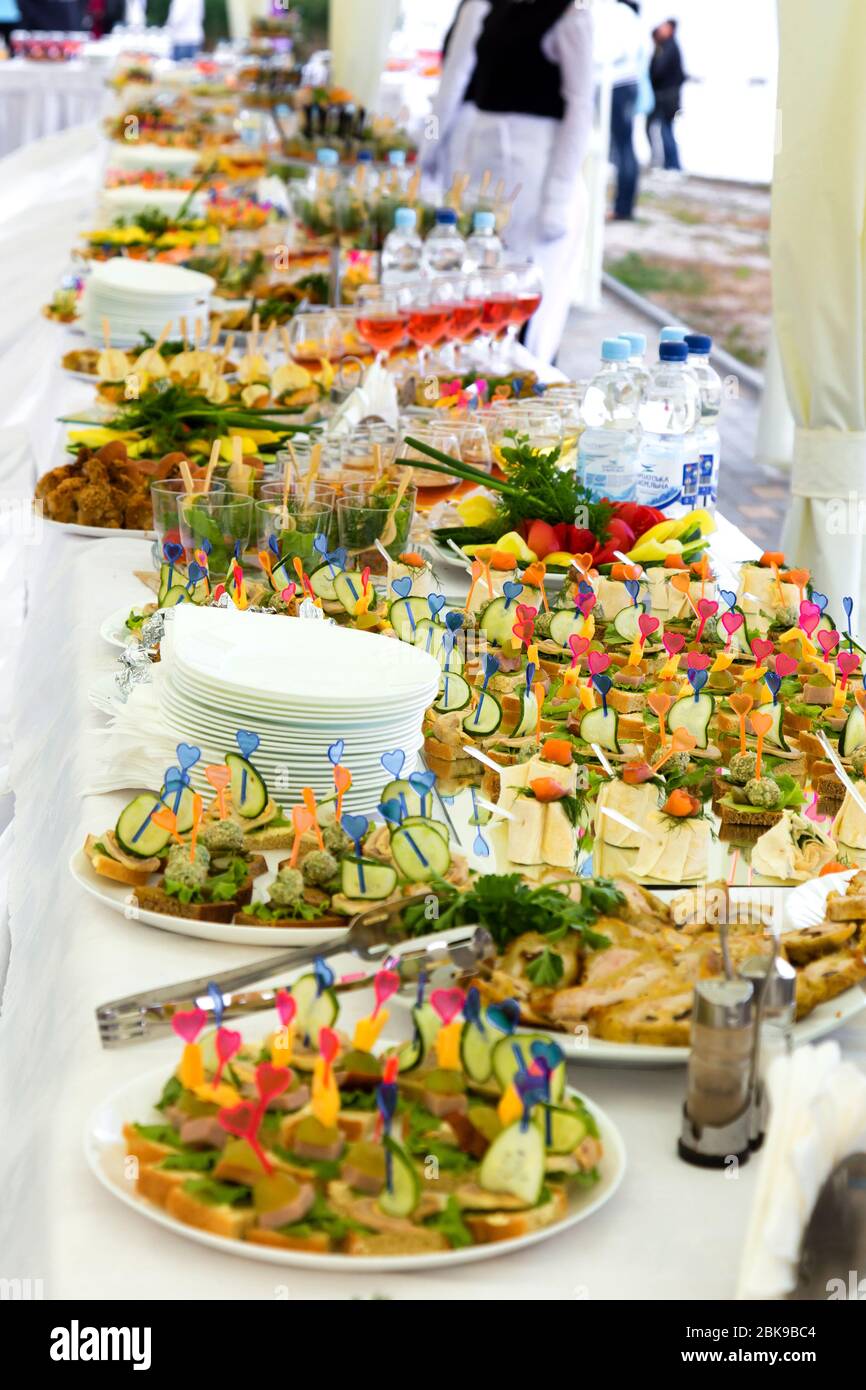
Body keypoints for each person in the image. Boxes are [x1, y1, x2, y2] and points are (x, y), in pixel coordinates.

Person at [452, 0, 594, 363]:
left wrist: (557, 198)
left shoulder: (571, 15)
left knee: (529, 318)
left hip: (539, 184)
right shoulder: (492, 7)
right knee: (483, 303)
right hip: (489, 179)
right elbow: (459, 84)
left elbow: (581, 109)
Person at [421, 0, 496, 193]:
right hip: (484, 132)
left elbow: (450, 85)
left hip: (464, 127)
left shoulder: (476, 6)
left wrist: (426, 146)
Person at [604, 0, 647, 221]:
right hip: (628, 82)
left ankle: (622, 208)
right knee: (626, 147)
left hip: (618, 84)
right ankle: (625, 206)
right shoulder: (633, 18)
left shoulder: (619, 13)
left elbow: (613, 51)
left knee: (622, 148)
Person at [648, 18, 686, 170]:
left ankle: (673, 166)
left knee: (666, 130)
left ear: (671, 29)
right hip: (667, 97)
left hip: (668, 98)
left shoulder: (669, 47)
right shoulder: (665, 46)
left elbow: (658, 70)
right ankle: (670, 165)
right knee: (665, 130)